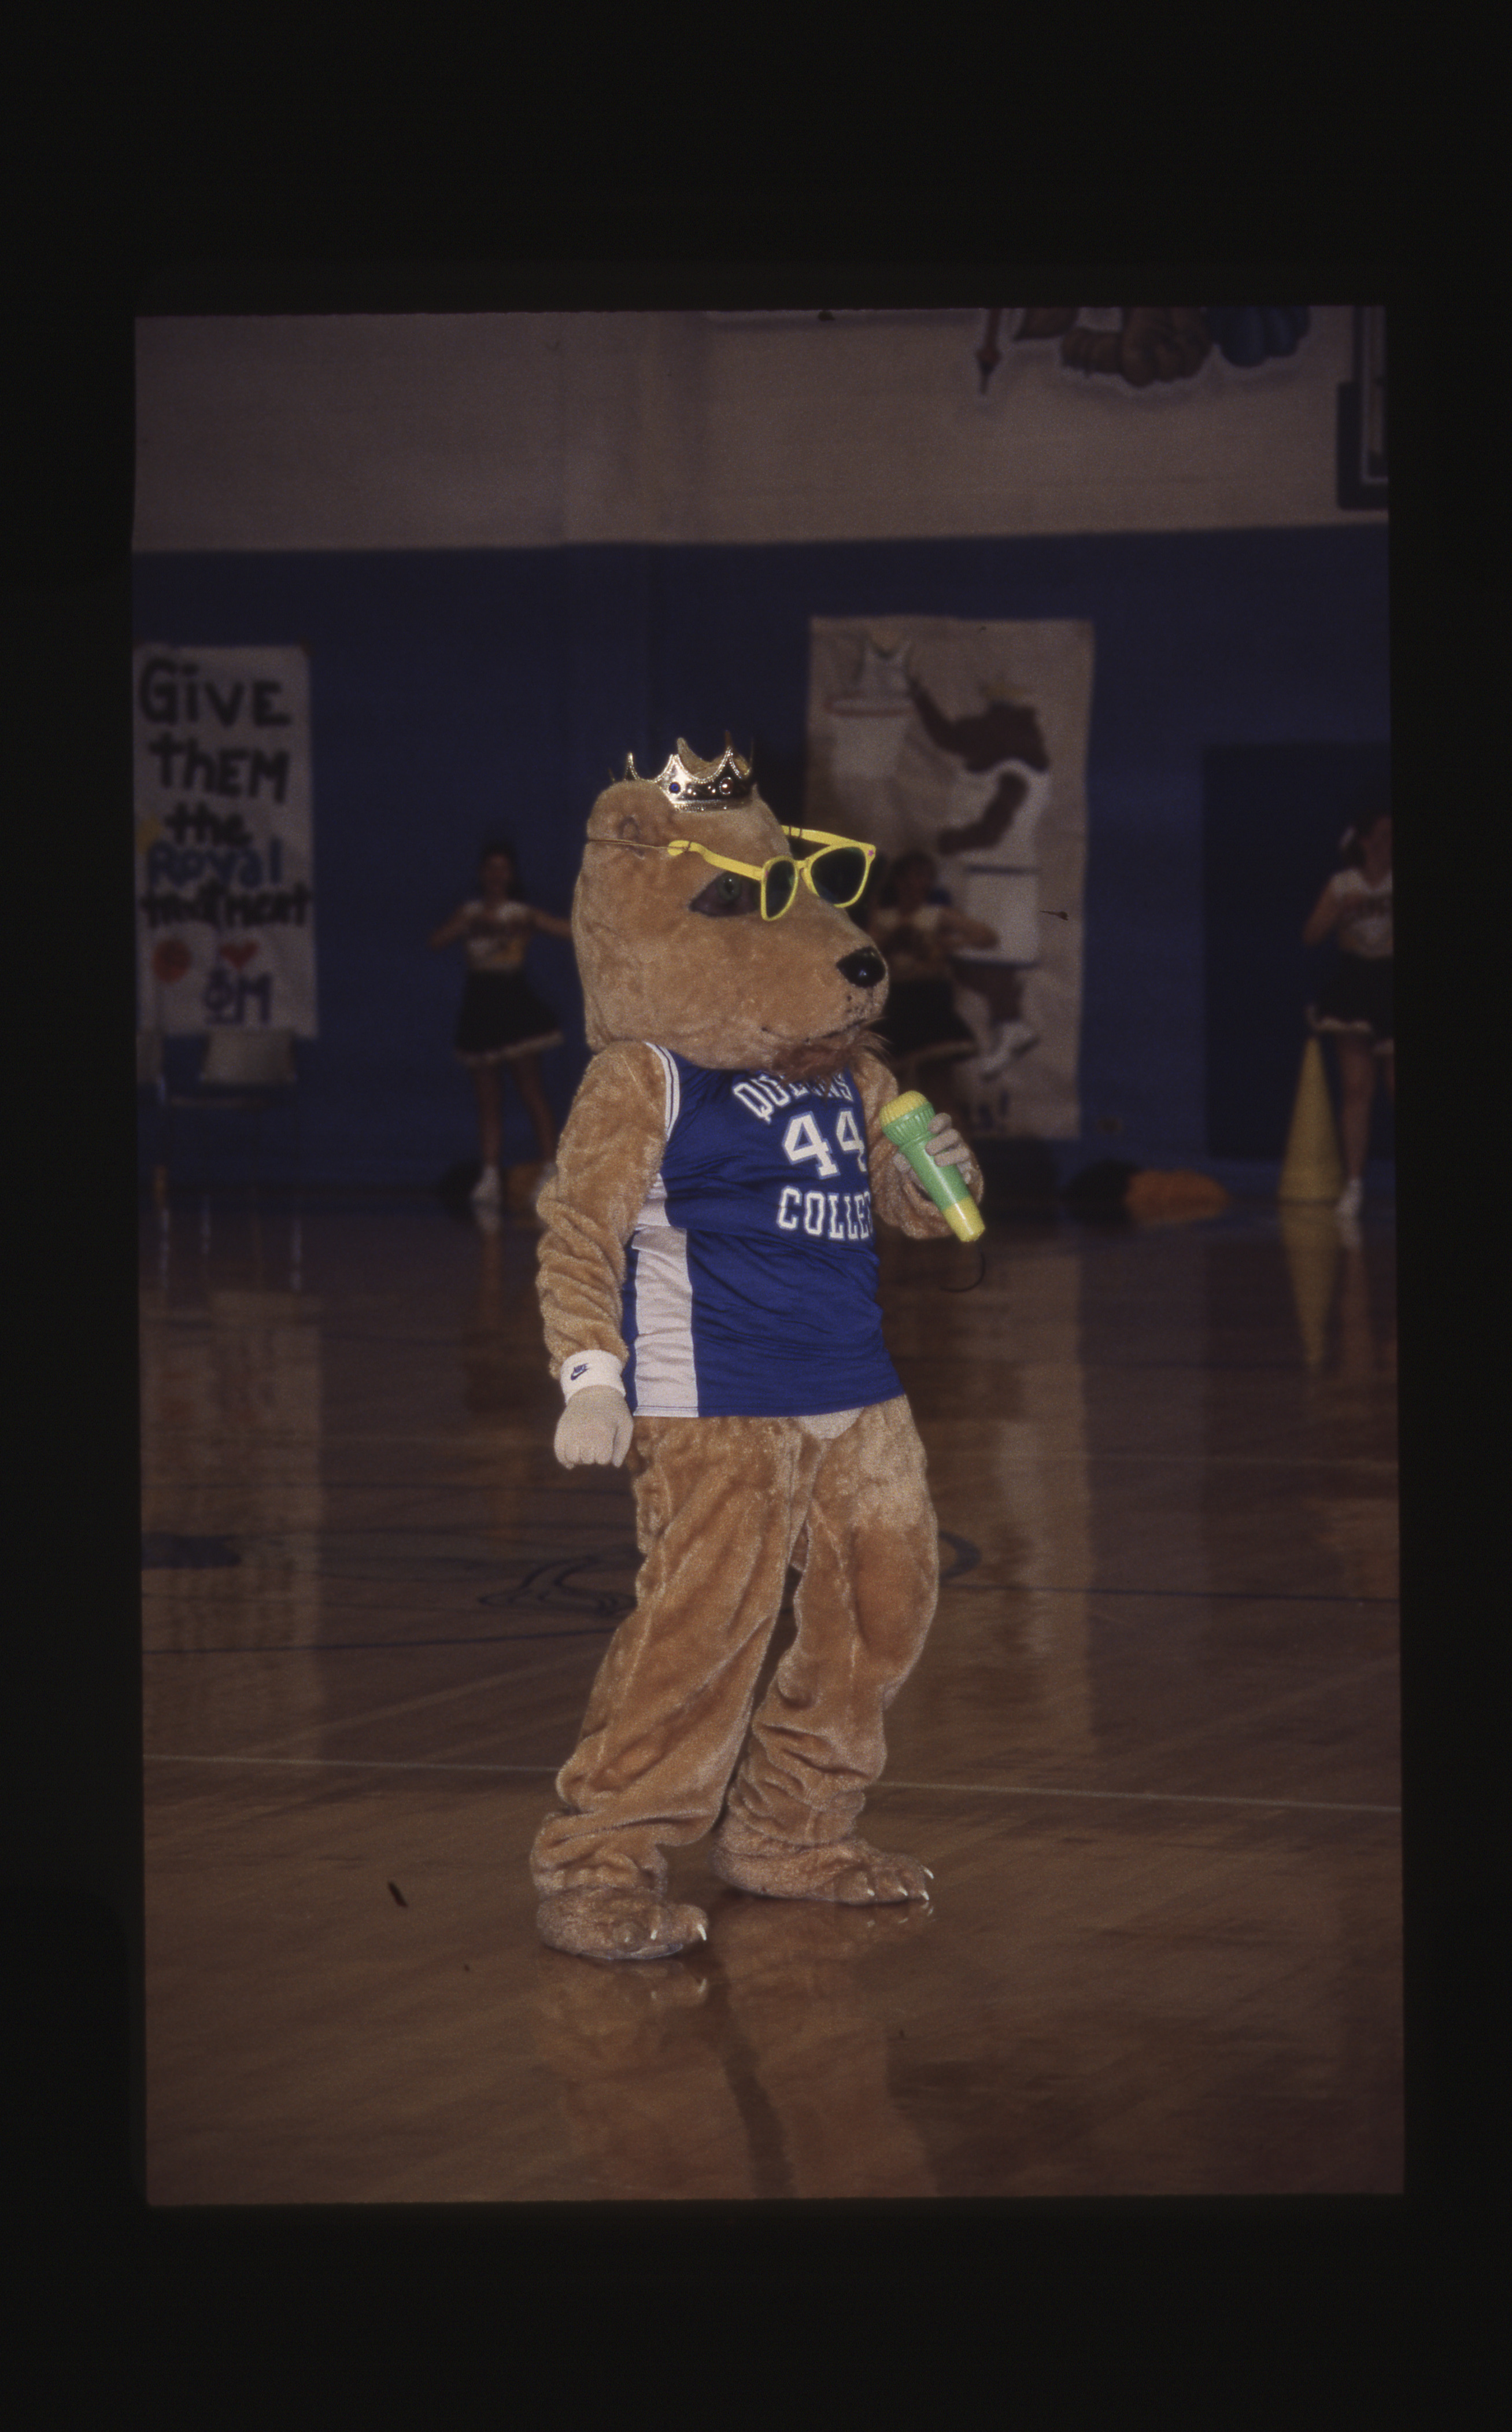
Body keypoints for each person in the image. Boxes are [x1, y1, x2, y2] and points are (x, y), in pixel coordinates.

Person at [428, 840, 572, 1208]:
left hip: (514, 1004)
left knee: (530, 1089)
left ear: (511, 876)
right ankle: (490, 1175)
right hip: (480, 1006)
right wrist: (464, 923)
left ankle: (550, 1170)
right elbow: (435, 942)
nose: (496, 875)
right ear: (482, 874)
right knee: (487, 1097)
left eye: (503, 869)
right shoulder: (471, 911)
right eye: (490, 868)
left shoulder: (519, 912)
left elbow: (565, 929)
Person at [1303, 804, 1393, 1220]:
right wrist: (1340, 910)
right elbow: (1311, 935)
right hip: (1355, 985)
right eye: (1385, 834)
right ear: (1365, 840)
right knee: (1357, 1090)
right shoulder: (1342, 884)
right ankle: (1353, 1186)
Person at [867, 850, 997, 1130]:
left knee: (939, 1092)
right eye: (917, 875)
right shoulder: (881, 917)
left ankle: (962, 1162)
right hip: (896, 1006)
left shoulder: (935, 915)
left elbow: (987, 936)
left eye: (928, 876)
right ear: (900, 880)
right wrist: (891, 940)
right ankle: (894, 1163)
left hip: (928, 1005)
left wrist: (949, 944)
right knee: (892, 1095)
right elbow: (869, 951)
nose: (924, 882)